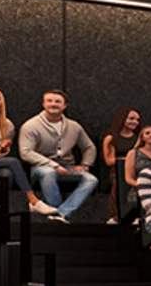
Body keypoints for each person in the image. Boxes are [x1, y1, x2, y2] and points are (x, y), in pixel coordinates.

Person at [15, 90, 99, 220]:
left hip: (68, 167)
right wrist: (53, 165)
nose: (53, 104)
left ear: (64, 105)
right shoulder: (31, 125)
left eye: (58, 101)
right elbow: (25, 152)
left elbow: (89, 147)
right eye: (49, 101)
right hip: (41, 167)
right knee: (48, 173)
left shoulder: (74, 126)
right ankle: (54, 211)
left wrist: (85, 164)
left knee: (91, 179)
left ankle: (61, 214)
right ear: (43, 104)